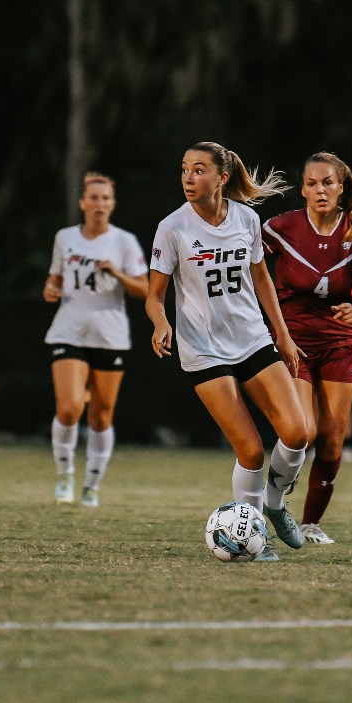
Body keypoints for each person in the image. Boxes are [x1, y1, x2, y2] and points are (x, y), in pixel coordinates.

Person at [144, 142, 314, 558]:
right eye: (184, 168)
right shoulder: (172, 227)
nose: (188, 177)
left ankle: (273, 505)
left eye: (199, 170)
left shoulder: (247, 218)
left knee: (298, 433)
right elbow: (154, 295)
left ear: (222, 178)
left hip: (251, 338)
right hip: (204, 350)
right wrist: (161, 321)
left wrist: (283, 335)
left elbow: (262, 280)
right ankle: (255, 540)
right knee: (252, 451)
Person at [262, 152, 352, 545]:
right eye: (312, 183)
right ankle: (274, 498)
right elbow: (246, 264)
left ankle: (310, 523)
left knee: (332, 438)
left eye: (328, 182)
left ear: (341, 187)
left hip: (342, 343)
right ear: (303, 189)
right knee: (304, 432)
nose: (320, 190)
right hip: (295, 340)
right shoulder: (280, 228)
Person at [42, 172, 149, 508]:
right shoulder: (65, 237)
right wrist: (50, 288)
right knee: (70, 406)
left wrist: (117, 273)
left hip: (109, 333)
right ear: (82, 202)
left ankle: (92, 485)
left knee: (101, 415)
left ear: (112, 204)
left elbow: (145, 288)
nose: (99, 203)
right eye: (93, 197)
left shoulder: (124, 241)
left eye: (105, 198)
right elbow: (55, 278)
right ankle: (65, 475)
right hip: (69, 329)